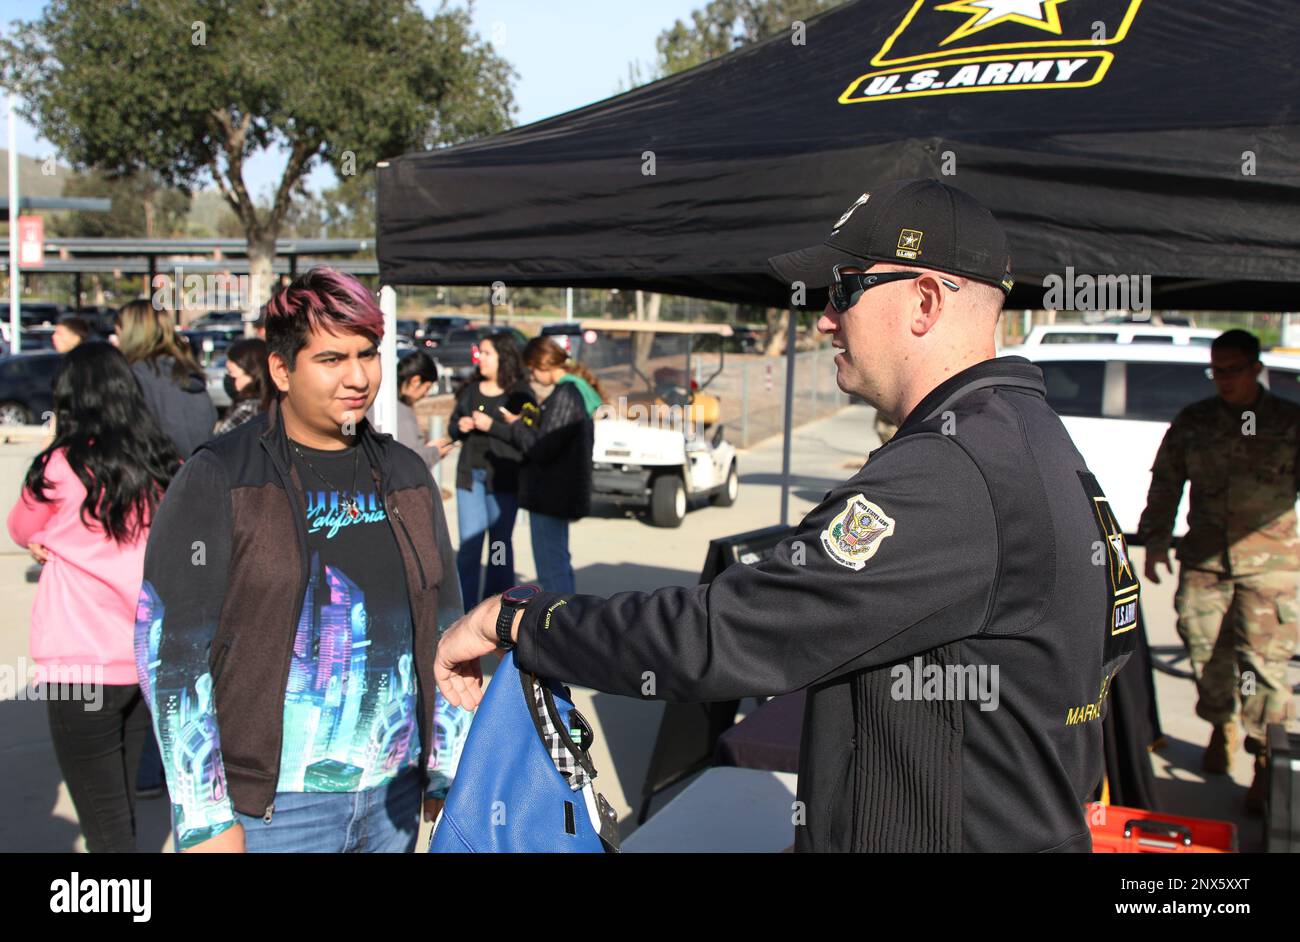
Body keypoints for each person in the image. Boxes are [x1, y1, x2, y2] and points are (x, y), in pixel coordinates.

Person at [436, 179, 1139, 853]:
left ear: (925, 301)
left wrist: (522, 621)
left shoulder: (953, 472)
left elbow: (721, 633)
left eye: (846, 289)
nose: (826, 317)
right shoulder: (1030, 435)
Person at [134, 267, 466, 853]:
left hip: (393, 795)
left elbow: (447, 626)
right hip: (272, 808)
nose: (358, 377)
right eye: (332, 359)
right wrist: (204, 817)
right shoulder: (220, 476)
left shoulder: (406, 474)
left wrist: (446, 769)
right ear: (281, 369)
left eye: (368, 354)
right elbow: (170, 651)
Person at [7, 343, 180, 852]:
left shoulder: (58, 466)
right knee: (121, 800)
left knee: (102, 817)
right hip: (144, 655)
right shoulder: (162, 463)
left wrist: (50, 540)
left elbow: (20, 526)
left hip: (78, 664)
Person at [1137, 328, 1299, 810]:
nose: (1223, 380)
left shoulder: (1291, 422)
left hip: (1270, 567)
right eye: (1216, 371)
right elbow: (1166, 483)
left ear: (1255, 369)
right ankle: (1221, 723)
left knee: (1264, 668)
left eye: (1232, 370)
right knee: (1207, 657)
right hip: (1205, 560)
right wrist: (1156, 542)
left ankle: (1264, 760)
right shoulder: (1195, 421)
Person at [470, 336, 600, 596]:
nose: (531, 375)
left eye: (531, 368)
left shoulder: (566, 394)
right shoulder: (576, 391)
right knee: (558, 563)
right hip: (559, 494)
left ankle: (558, 628)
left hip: (551, 496)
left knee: (551, 570)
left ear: (542, 364)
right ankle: (566, 623)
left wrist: (516, 425)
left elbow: (541, 448)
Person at [439, 333, 534, 604]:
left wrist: (493, 426)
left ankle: (497, 609)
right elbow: (453, 426)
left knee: (499, 546)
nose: (481, 358)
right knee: (469, 546)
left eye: (487, 353)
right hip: (470, 477)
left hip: (503, 479)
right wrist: (461, 427)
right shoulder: (470, 391)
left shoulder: (520, 394)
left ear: (503, 357)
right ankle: (463, 610)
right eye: (480, 353)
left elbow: (527, 436)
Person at [115, 299, 217, 459]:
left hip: (162, 474)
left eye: (118, 333)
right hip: (197, 470)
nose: (116, 341)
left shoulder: (137, 375)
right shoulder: (185, 371)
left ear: (130, 333)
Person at [395, 349, 443, 470]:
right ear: (415, 381)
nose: (425, 394)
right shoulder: (401, 413)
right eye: (427, 388)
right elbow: (409, 461)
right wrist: (435, 451)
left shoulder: (386, 403)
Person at [213, 338, 272, 435]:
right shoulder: (270, 406)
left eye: (231, 373)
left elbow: (219, 444)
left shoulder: (248, 410)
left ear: (253, 374)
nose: (228, 378)